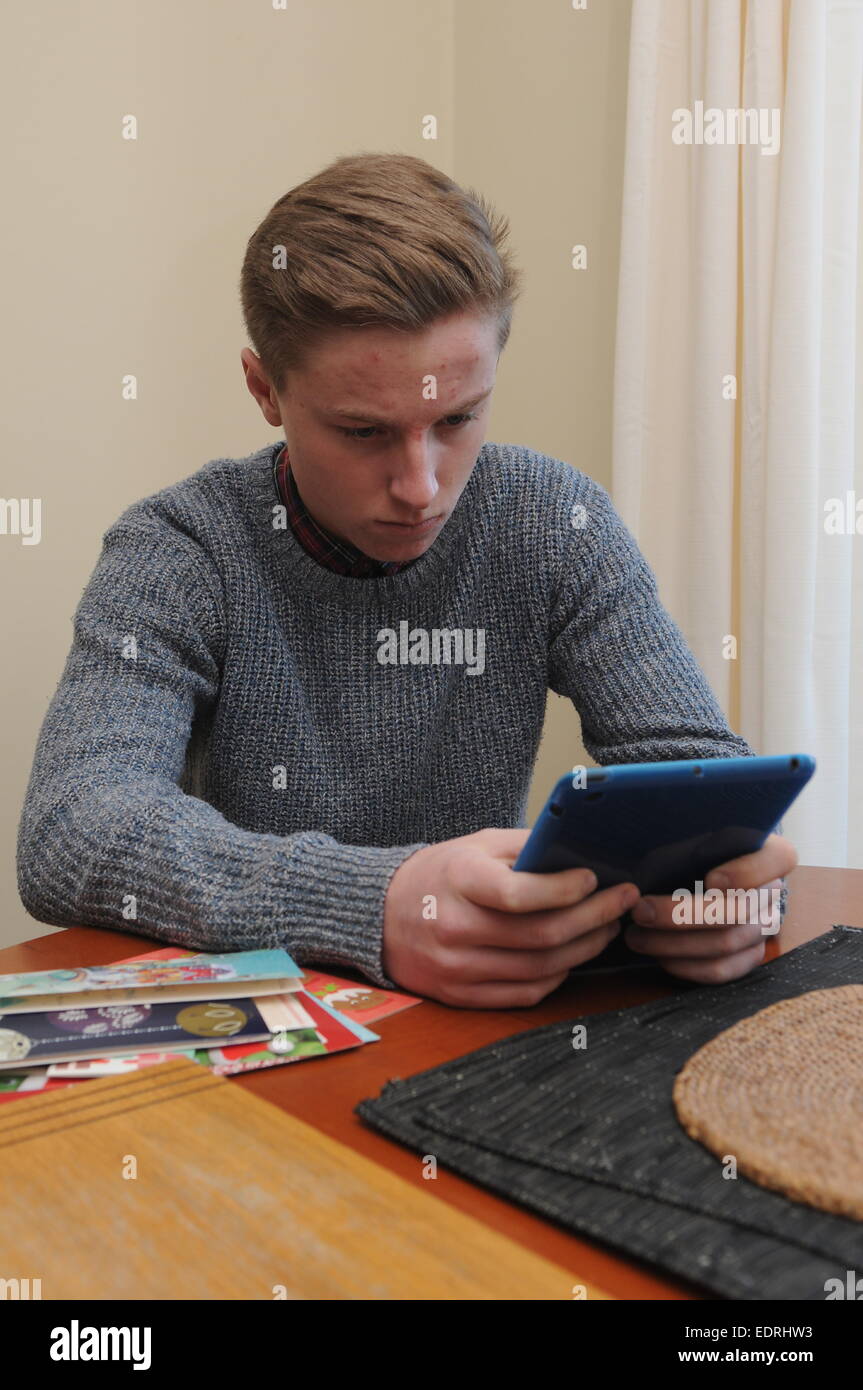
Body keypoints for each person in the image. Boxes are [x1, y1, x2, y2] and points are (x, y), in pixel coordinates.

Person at [16, 152, 796, 1009]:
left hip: (495, 1027)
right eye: (361, 431)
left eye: (457, 418)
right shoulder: (181, 547)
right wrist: (375, 903)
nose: (421, 486)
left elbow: (694, 773)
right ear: (263, 389)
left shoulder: (555, 520)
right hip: (263, 1053)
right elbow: (73, 830)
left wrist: (731, 890)